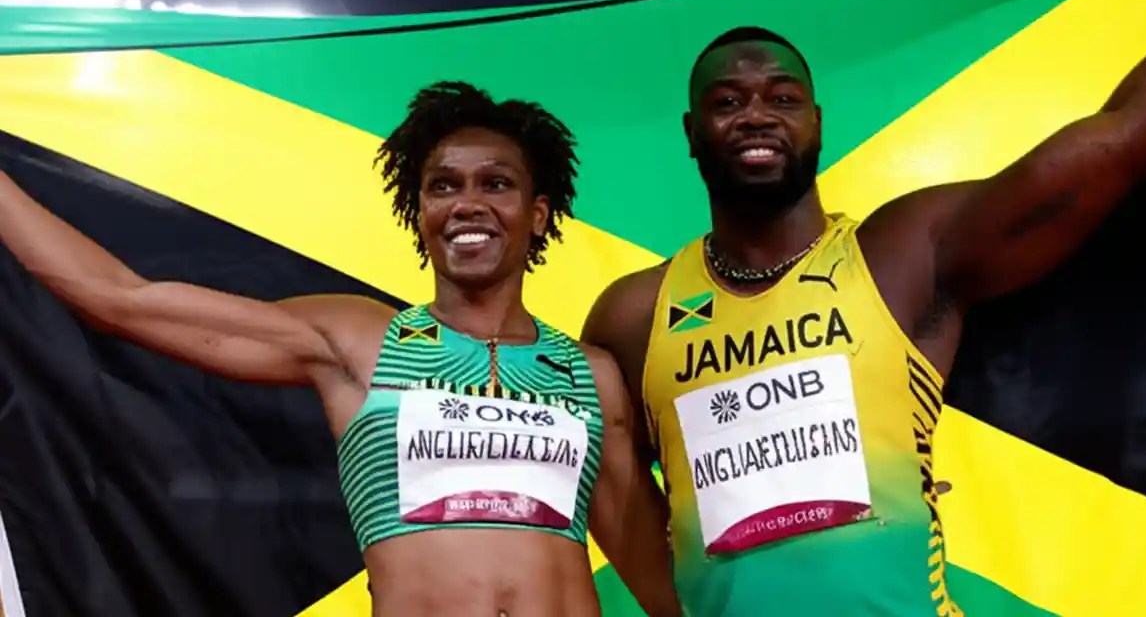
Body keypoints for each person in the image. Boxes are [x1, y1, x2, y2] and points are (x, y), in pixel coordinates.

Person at [582, 0, 1146, 617]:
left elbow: (1121, 142)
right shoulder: (634, 315)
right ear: (691, 133)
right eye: (727, 102)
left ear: (817, 123)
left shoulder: (902, 256)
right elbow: (609, 478)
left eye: (783, 98)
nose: (757, 114)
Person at [0, 81, 681, 617]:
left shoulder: (591, 378)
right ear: (419, 213)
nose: (467, 203)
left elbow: (658, 579)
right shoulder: (360, 339)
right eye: (444, 185)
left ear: (538, 213)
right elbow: (118, 298)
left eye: (495, 183)